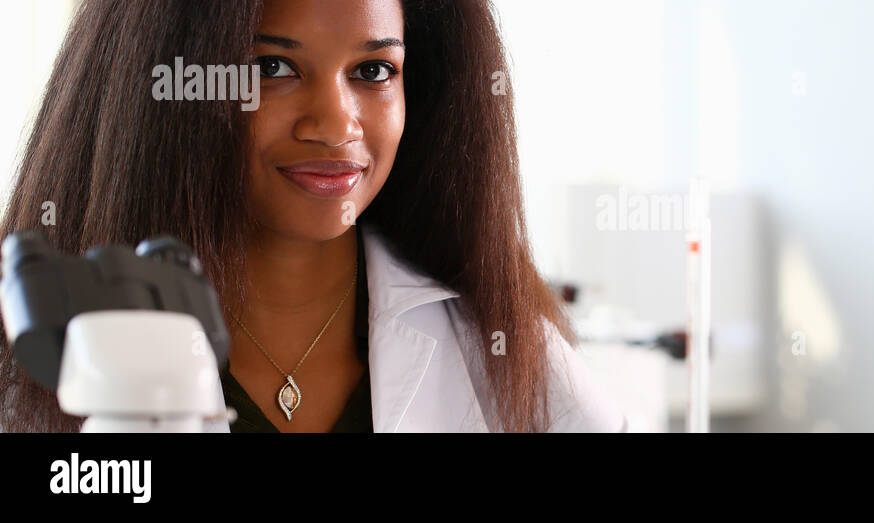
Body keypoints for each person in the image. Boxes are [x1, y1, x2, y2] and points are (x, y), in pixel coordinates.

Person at [0, 0, 627, 433]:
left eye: (374, 71)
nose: (335, 124)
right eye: (272, 68)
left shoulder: (508, 353)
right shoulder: (43, 358)